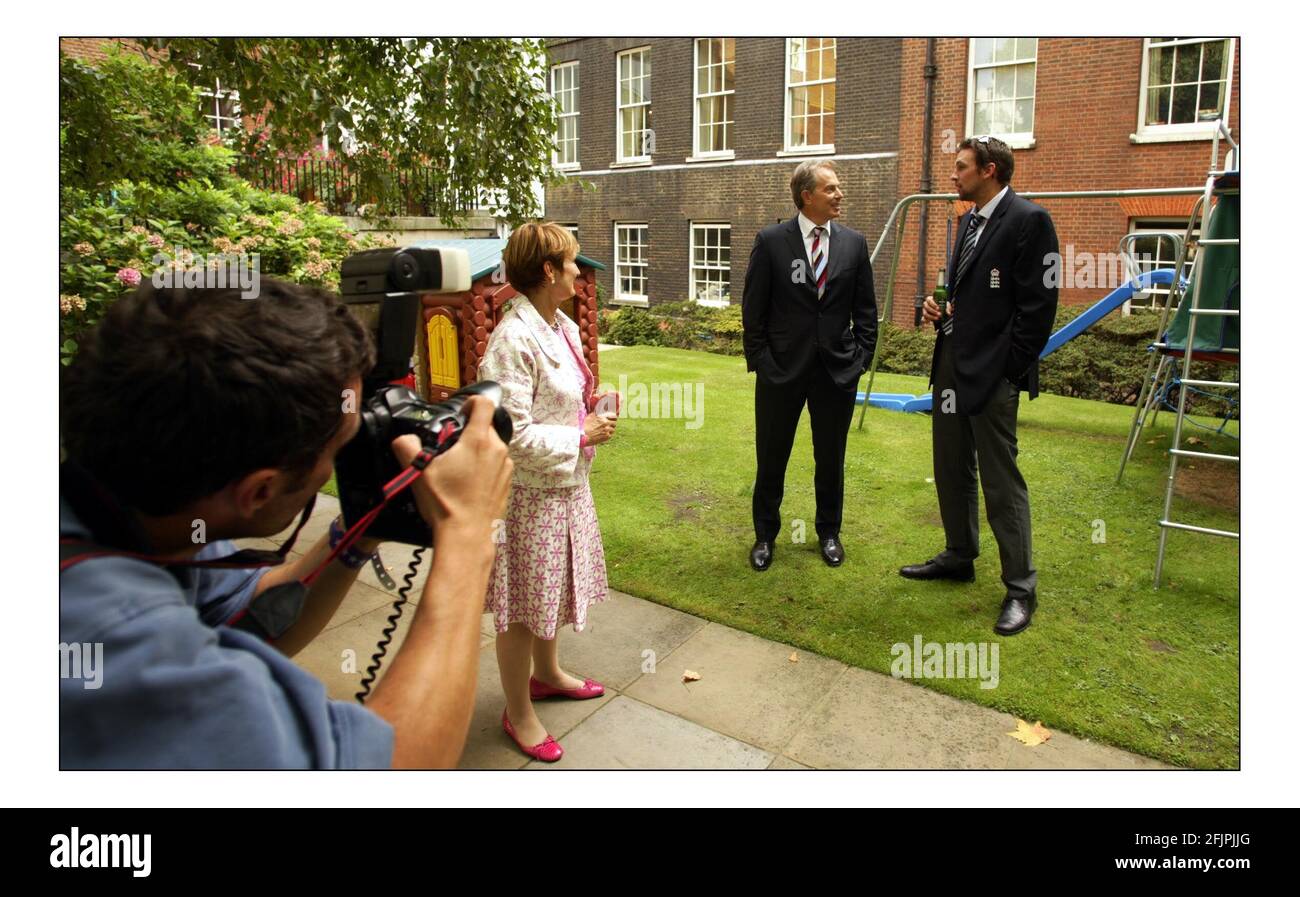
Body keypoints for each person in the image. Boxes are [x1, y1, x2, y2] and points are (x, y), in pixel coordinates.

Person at [59, 279, 512, 768]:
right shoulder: (117, 644)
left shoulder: (151, 510)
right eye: (342, 446)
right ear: (259, 492)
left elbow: (249, 619)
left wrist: (361, 527)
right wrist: (467, 534)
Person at [900, 135, 1059, 636]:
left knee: (1000, 481)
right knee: (950, 467)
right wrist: (935, 305)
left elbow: (1038, 310)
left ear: (989, 171)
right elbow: (966, 292)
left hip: (994, 376)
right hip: (950, 365)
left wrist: (1008, 371)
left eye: (962, 167)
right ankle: (959, 555)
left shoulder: (1029, 221)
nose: (954, 175)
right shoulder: (968, 221)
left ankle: (1020, 587)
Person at [476, 222, 618, 762]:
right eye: (573, 263)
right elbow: (508, 433)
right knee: (518, 608)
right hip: (528, 498)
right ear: (547, 271)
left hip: (565, 487)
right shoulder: (510, 340)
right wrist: (580, 434)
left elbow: (561, 397)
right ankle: (518, 712)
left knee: (552, 590)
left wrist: (594, 399)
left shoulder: (557, 323)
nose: (580, 273)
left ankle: (548, 674)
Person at [741, 160, 878, 572]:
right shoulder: (771, 241)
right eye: (831, 189)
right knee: (772, 455)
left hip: (836, 374)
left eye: (839, 188)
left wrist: (860, 360)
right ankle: (765, 535)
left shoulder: (854, 243)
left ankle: (829, 533)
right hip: (781, 371)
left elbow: (866, 311)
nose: (840, 195)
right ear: (807, 196)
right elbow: (754, 311)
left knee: (831, 457)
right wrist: (763, 363)